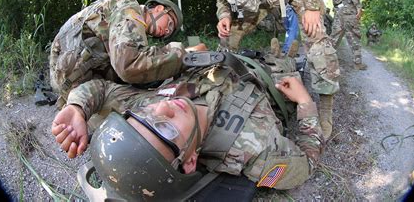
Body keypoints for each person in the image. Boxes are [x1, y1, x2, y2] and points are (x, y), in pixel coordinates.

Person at [52, 51, 324, 201]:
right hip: (274, 72)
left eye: (145, 114)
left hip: (231, 58)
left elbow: (99, 89)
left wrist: (76, 108)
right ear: (191, 161)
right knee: (293, 56)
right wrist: (304, 102)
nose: (164, 108)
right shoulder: (253, 149)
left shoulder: (154, 106)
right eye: (166, 129)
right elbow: (305, 166)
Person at [174, 0, 340, 138]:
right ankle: (229, 83)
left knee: (317, 43)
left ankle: (325, 109)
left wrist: (311, 5)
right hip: (261, 4)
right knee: (228, 37)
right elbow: (221, 0)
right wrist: (224, 16)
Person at [49, 0, 191, 108]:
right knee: (152, 108)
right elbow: (128, 66)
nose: (166, 31)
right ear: (159, 9)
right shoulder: (130, 9)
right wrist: (182, 55)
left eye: (169, 33)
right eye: (169, 24)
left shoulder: (125, 15)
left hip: (70, 78)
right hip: (75, 82)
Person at [330, 0, 367, 70]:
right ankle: (358, 63)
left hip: (339, 10)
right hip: (349, 11)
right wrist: (359, 7)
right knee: (355, 36)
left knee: (334, 38)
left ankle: (326, 62)